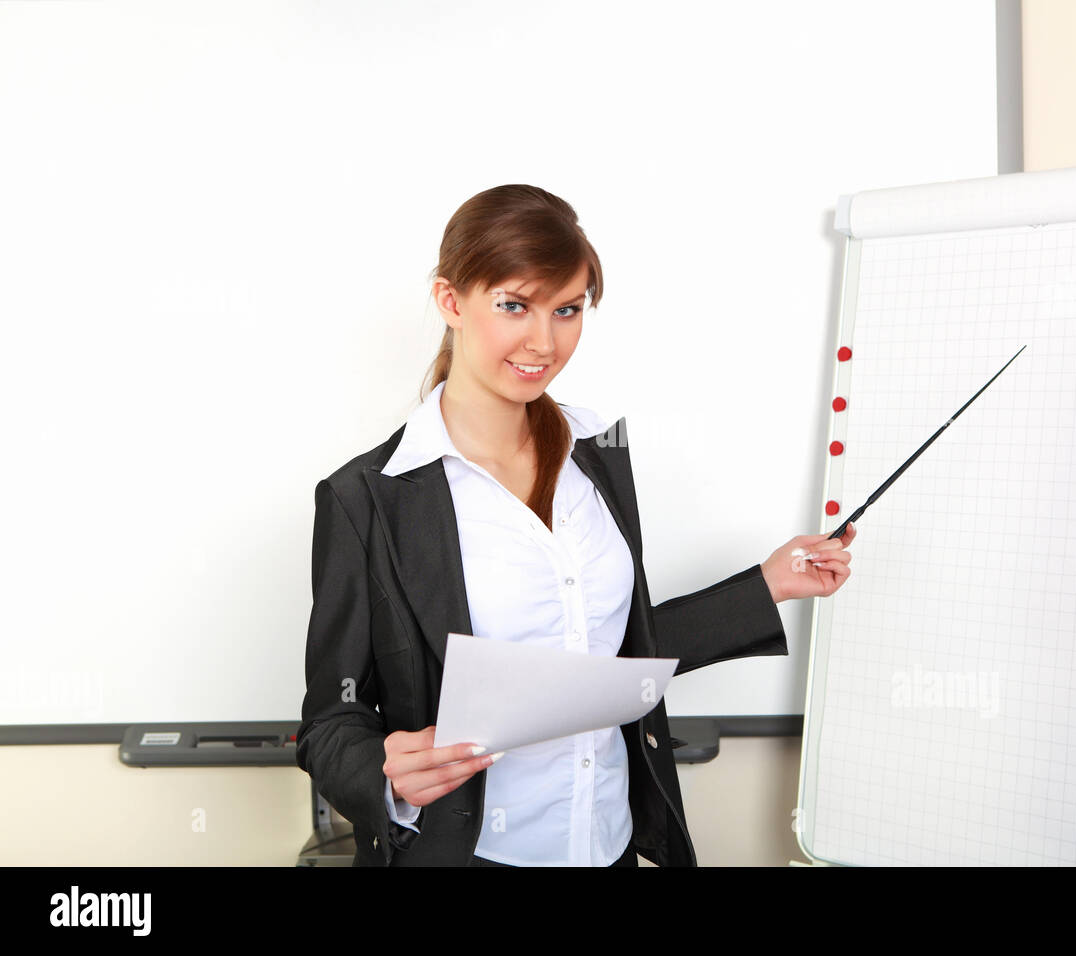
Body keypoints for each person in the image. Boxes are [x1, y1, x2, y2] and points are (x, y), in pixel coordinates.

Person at [294, 184, 856, 867]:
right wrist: (381, 772)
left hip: (607, 842)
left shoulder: (597, 456)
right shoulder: (368, 499)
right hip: (471, 854)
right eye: (514, 305)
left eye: (567, 309)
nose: (544, 341)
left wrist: (769, 584)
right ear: (451, 302)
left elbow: (604, 658)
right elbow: (330, 721)